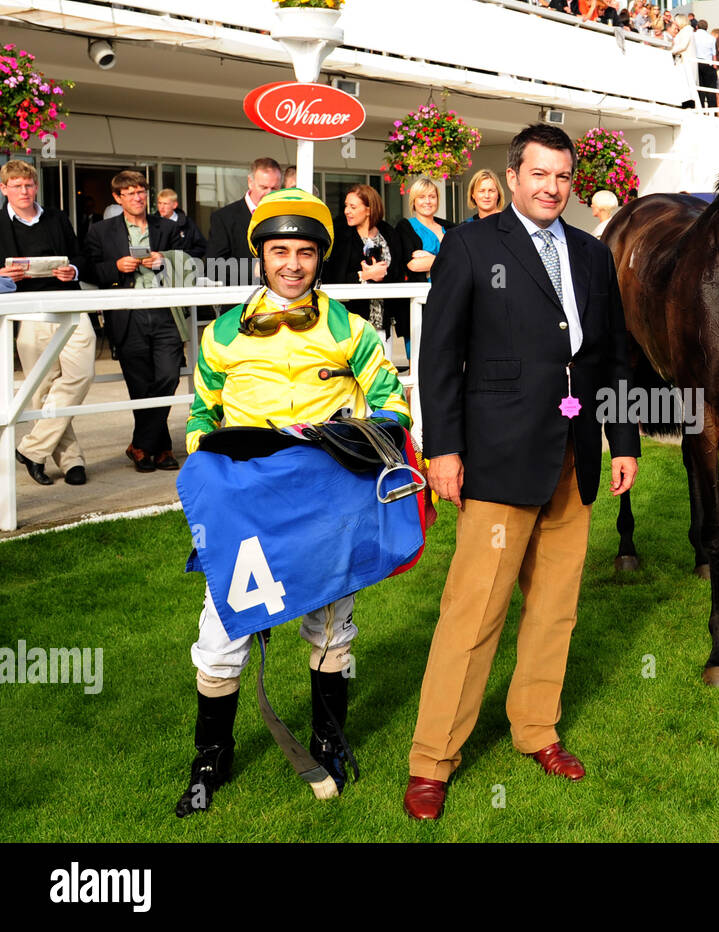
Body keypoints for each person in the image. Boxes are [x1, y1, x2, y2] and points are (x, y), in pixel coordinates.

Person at [404, 124, 640, 821]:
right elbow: (438, 358)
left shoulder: (593, 257)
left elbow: (613, 358)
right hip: (499, 457)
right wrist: (441, 449)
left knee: (555, 610)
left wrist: (621, 438)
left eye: (563, 176)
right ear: (513, 177)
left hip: (575, 456)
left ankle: (536, 729)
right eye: (539, 174)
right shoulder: (471, 245)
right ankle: (433, 759)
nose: (552, 187)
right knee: (473, 612)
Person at [175, 188, 411, 817]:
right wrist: (217, 462)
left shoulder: (353, 330)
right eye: (280, 251)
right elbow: (200, 417)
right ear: (261, 255)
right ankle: (211, 754)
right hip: (249, 506)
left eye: (305, 252)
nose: (292, 264)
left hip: (323, 504)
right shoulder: (221, 334)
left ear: (319, 257)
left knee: (332, 628)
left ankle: (329, 738)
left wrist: (345, 434)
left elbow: (394, 408)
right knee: (223, 629)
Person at [83, 169, 185, 472]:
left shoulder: (167, 227)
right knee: (140, 384)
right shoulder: (101, 231)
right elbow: (89, 269)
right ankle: (161, 448)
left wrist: (164, 260)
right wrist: (115, 267)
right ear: (117, 198)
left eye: (141, 191)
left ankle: (140, 444)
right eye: (130, 193)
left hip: (165, 311)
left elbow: (195, 257)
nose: (138, 197)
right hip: (127, 314)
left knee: (168, 376)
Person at [1, 159, 94, 487]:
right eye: (16, 186)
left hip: (69, 305)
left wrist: (74, 271)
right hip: (27, 311)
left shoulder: (56, 217)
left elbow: (81, 256)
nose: (24, 191)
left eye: (28, 185)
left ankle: (31, 449)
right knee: (41, 388)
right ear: (4, 189)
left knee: (82, 374)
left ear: (36, 186)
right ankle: (71, 462)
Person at [324, 184, 403, 347]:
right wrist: (364, 275)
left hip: (383, 323)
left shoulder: (389, 234)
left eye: (353, 207)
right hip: (351, 325)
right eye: (346, 206)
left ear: (369, 210)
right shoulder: (341, 237)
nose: (347, 211)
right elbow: (332, 278)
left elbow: (398, 272)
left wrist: (382, 275)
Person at [394, 177, 453, 355]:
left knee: (447, 354)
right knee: (419, 356)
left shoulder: (449, 227)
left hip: (448, 298)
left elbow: (461, 261)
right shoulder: (405, 227)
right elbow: (412, 265)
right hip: (419, 303)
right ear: (414, 201)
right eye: (422, 197)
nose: (427, 201)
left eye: (432, 196)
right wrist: (445, 259)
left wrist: (431, 259)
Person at [206, 158, 282, 285]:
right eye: (263, 187)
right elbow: (213, 267)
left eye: (274, 188)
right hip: (241, 300)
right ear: (250, 182)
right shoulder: (224, 217)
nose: (269, 193)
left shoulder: (286, 216)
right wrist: (254, 270)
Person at [156, 188, 206, 258]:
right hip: (159, 265)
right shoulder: (153, 223)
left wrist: (184, 257)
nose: (161, 207)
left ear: (174, 205)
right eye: (159, 203)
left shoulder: (187, 223)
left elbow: (201, 247)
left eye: (165, 204)